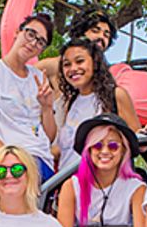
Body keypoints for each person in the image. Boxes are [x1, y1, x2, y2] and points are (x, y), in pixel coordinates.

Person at [0, 14, 57, 181]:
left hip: (43, 165)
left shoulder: (39, 78)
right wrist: (14, 166)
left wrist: (46, 107)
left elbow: (49, 137)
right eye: (31, 34)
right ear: (17, 32)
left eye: (40, 42)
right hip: (13, 169)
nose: (33, 43)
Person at [56, 115, 146, 227]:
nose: (105, 151)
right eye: (97, 145)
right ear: (89, 150)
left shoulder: (136, 188)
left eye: (113, 146)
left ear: (123, 151)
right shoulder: (71, 186)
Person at [54, 38, 140, 169]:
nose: (73, 68)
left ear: (95, 63)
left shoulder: (116, 95)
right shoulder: (69, 103)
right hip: (68, 183)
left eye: (80, 61)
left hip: (102, 182)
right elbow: (62, 151)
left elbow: (138, 143)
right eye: (67, 64)